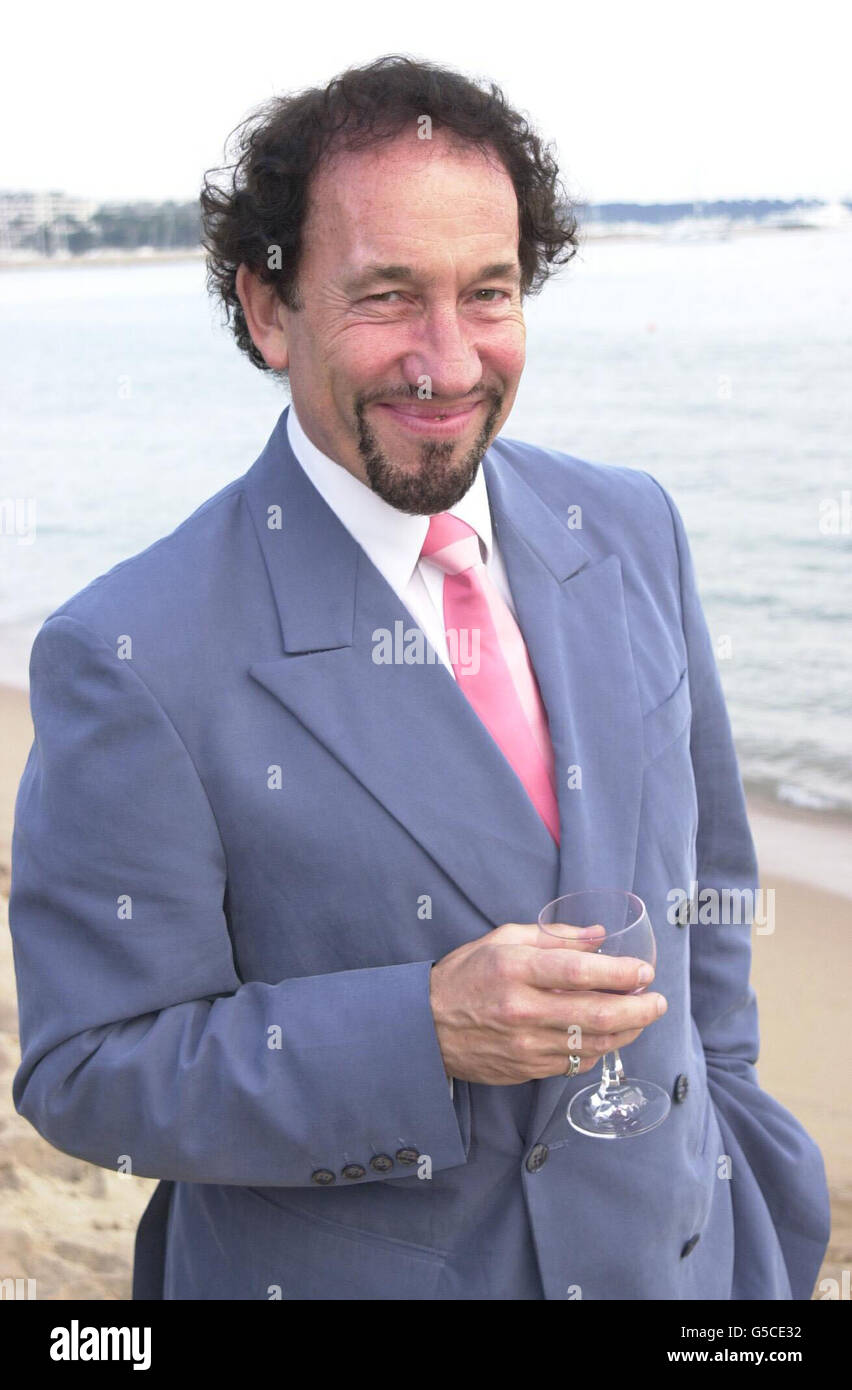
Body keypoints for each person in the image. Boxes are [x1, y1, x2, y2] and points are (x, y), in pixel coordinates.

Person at [9, 55, 829, 1300]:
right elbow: (88, 1071)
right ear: (270, 309)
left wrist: (748, 1169)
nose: (447, 363)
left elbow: (710, 881)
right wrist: (421, 1033)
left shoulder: (630, 525)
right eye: (390, 297)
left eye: (487, 293)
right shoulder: (131, 653)